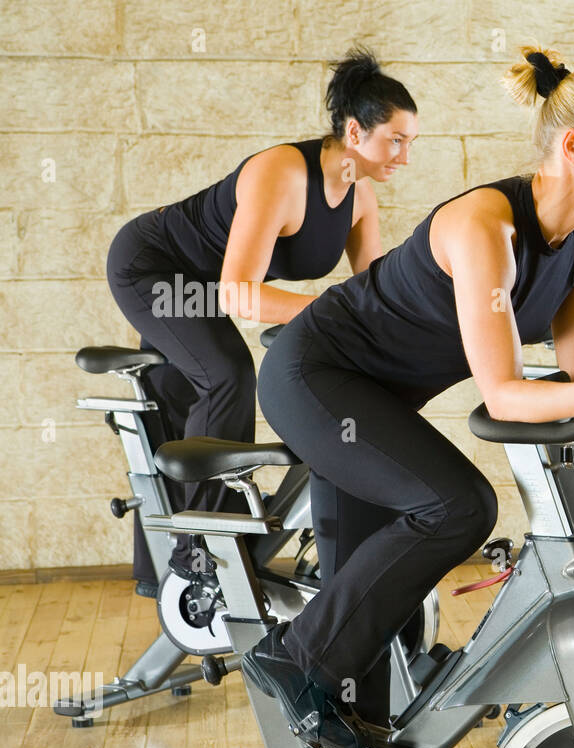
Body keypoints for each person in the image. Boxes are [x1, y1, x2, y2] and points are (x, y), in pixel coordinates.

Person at [247, 48, 574, 748]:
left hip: (378, 400)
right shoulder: (487, 226)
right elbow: (507, 394)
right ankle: (288, 657)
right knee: (459, 506)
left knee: (362, 588)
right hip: (316, 374)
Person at [105, 48, 417, 593]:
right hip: (152, 270)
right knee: (226, 373)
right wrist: (333, 312)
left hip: (202, 285)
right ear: (353, 132)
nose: (405, 157)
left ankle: (186, 555)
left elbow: (374, 291)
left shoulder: (360, 195)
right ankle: (198, 551)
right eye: (396, 139)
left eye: (410, 142)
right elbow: (241, 294)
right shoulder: (282, 174)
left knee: (196, 390)